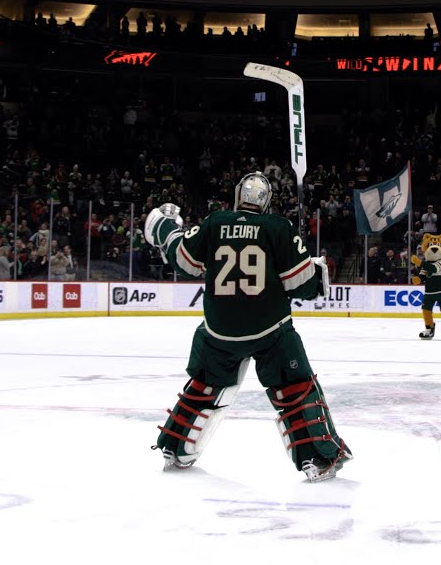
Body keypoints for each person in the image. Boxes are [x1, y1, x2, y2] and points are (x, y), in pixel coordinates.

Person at [142, 172, 352, 482]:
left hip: (219, 330)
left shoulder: (215, 222)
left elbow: (183, 259)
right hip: (270, 329)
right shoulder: (279, 227)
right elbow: (301, 284)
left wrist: (165, 229)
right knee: (294, 389)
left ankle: (176, 446)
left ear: (238, 195)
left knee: (204, 388)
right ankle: (316, 457)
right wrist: (317, 270)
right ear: (266, 201)